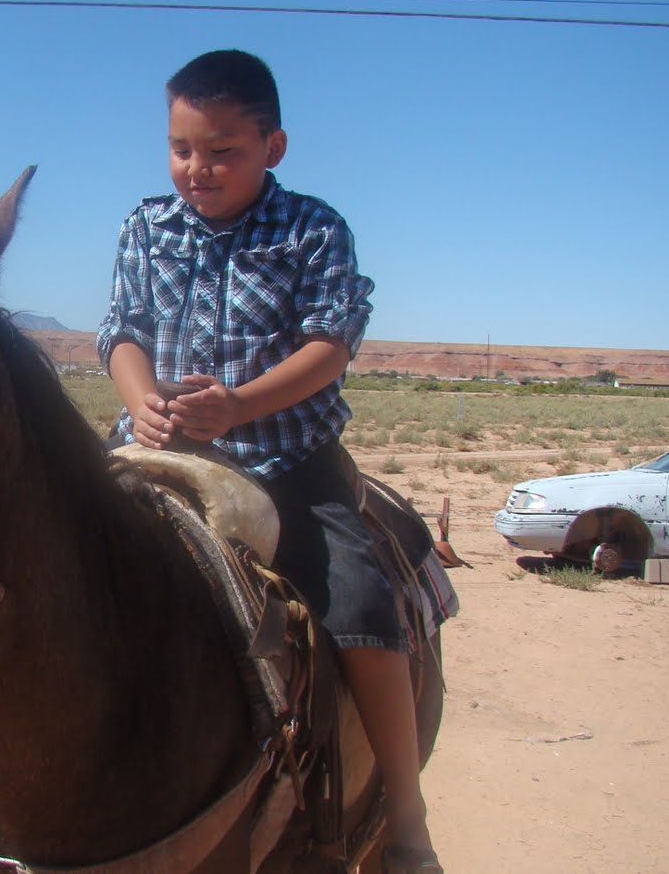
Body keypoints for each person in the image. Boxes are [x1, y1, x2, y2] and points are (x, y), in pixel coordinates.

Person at [96, 49, 440, 873]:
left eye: (223, 151)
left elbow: (330, 345)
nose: (198, 168)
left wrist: (240, 405)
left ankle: (406, 814)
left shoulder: (312, 229)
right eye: (182, 149)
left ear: (272, 147)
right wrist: (140, 397)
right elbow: (122, 330)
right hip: (155, 448)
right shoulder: (145, 226)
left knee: (358, 599)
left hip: (286, 461)